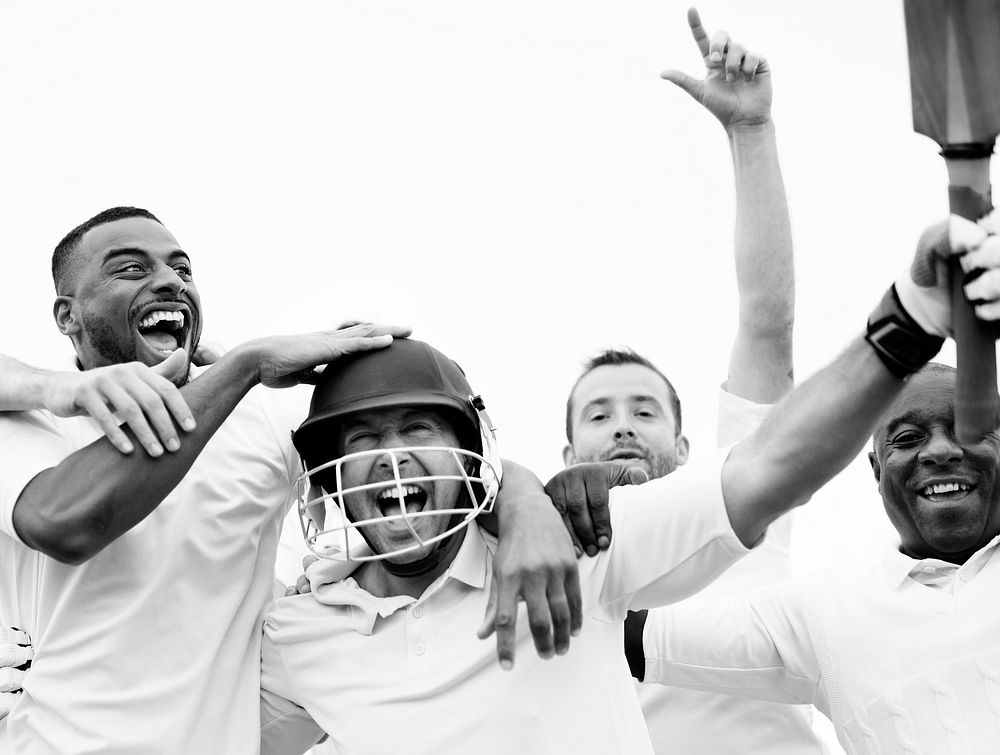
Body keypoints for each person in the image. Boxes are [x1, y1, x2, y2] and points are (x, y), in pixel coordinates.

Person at [257, 207, 1000, 753]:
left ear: (469, 451)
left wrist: (907, 320)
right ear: (328, 477)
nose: (392, 460)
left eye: (418, 431)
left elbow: (773, 463)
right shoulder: (297, 629)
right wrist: (228, 372)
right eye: (363, 441)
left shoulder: (585, 547)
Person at [0, 206, 580, 754]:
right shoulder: (27, 424)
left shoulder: (257, 420)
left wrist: (527, 505)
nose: (170, 282)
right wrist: (244, 366)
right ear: (67, 316)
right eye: (132, 269)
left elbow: (434, 464)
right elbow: (62, 523)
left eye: (182, 270)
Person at [560, 10, 819, 753]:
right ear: (567, 447)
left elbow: (767, 322)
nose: (622, 424)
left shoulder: (738, 509)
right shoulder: (541, 573)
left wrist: (750, 134)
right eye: (599, 413)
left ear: (682, 440)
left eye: (644, 408)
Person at [634, 361, 1000, 754]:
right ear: (877, 471)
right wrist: (565, 517)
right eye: (908, 438)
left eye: (970, 429)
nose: (941, 450)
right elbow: (637, 635)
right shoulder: (825, 611)